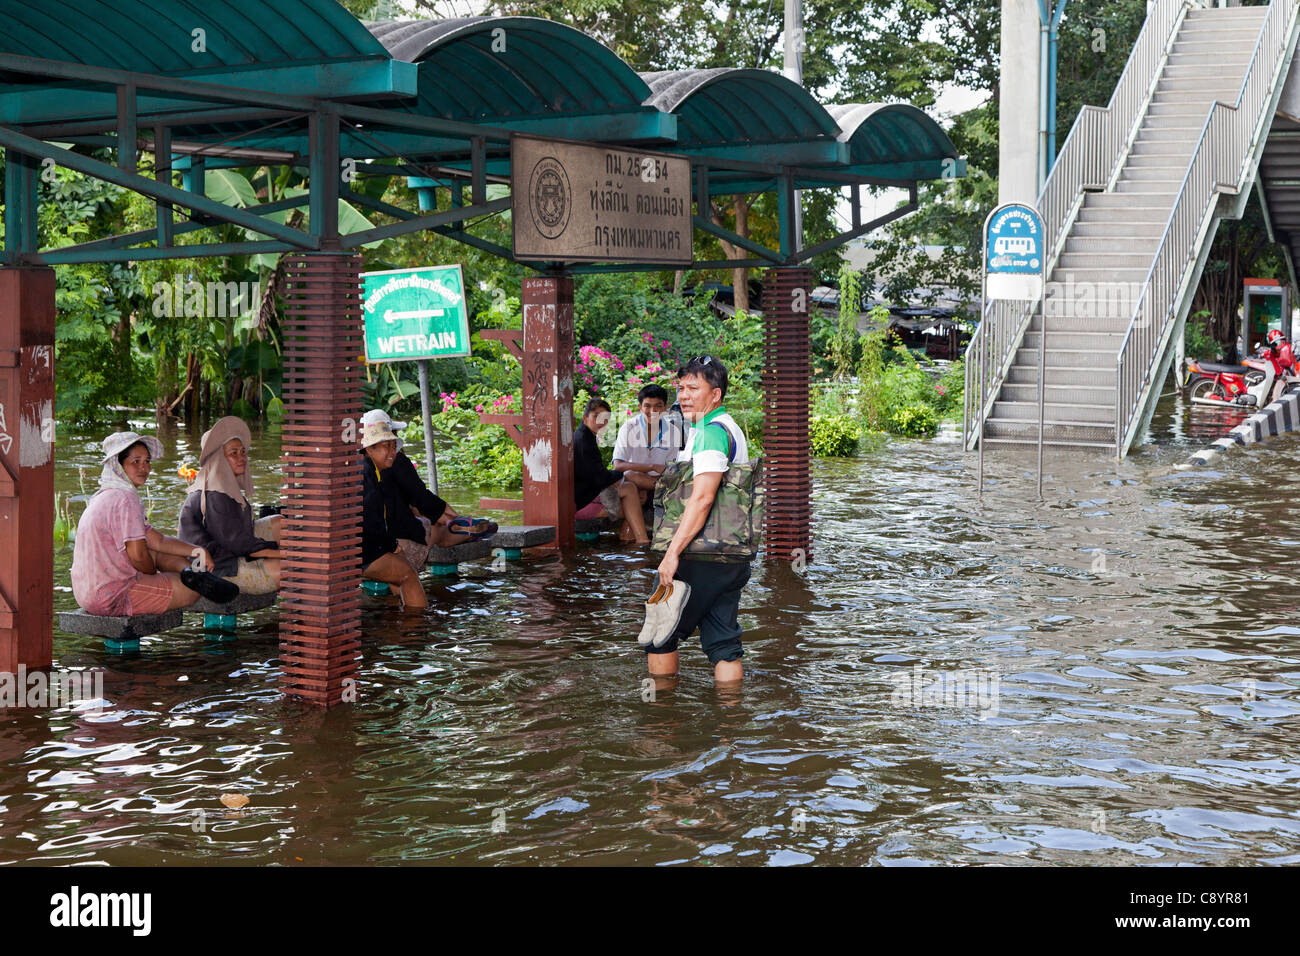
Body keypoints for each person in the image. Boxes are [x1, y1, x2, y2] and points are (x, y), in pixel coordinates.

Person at [649, 356, 753, 687]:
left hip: (698, 554)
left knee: (659, 634)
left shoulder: (710, 432)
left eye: (694, 387)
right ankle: (728, 725)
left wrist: (672, 553)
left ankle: (661, 722)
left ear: (716, 394)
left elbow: (703, 497)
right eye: (680, 387)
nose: (683, 395)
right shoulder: (729, 427)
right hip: (730, 554)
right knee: (724, 643)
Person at [72, 431, 238, 616]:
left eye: (147, 461)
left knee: (155, 550)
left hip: (87, 593)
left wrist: (198, 551)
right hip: (113, 596)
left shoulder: (104, 495)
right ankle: (190, 576)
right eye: (136, 462)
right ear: (118, 465)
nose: (144, 468)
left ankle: (189, 572)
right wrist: (153, 575)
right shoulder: (125, 499)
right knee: (192, 592)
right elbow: (137, 556)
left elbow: (157, 540)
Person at [359, 409, 497, 554]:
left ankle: (459, 526)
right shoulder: (396, 461)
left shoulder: (360, 466)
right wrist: (449, 517)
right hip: (396, 533)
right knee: (439, 532)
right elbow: (419, 495)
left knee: (426, 515)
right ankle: (463, 528)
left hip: (372, 534)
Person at [178, 416, 282, 594]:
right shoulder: (214, 495)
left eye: (243, 452)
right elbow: (239, 544)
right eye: (233, 453)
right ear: (219, 459)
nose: (241, 458)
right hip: (213, 568)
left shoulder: (224, 486)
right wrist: (288, 554)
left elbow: (237, 537)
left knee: (279, 522)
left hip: (228, 548)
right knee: (288, 568)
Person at [610, 384, 685, 539]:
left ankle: (637, 549)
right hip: (637, 482)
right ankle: (640, 547)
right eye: (647, 406)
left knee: (635, 483)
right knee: (631, 476)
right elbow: (618, 465)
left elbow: (671, 470)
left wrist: (646, 483)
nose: (652, 411)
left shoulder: (673, 432)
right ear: (640, 407)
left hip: (658, 483)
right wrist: (651, 467)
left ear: (665, 407)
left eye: (658, 406)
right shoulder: (629, 427)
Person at [574, 398, 649, 544]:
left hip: (581, 498)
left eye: (605, 419)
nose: (601, 422)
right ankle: (642, 539)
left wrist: (614, 478)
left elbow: (596, 475)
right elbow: (599, 479)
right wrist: (621, 475)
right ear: (585, 417)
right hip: (581, 505)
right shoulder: (584, 441)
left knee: (635, 497)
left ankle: (630, 537)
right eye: (596, 416)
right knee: (629, 488)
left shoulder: (583, 436)